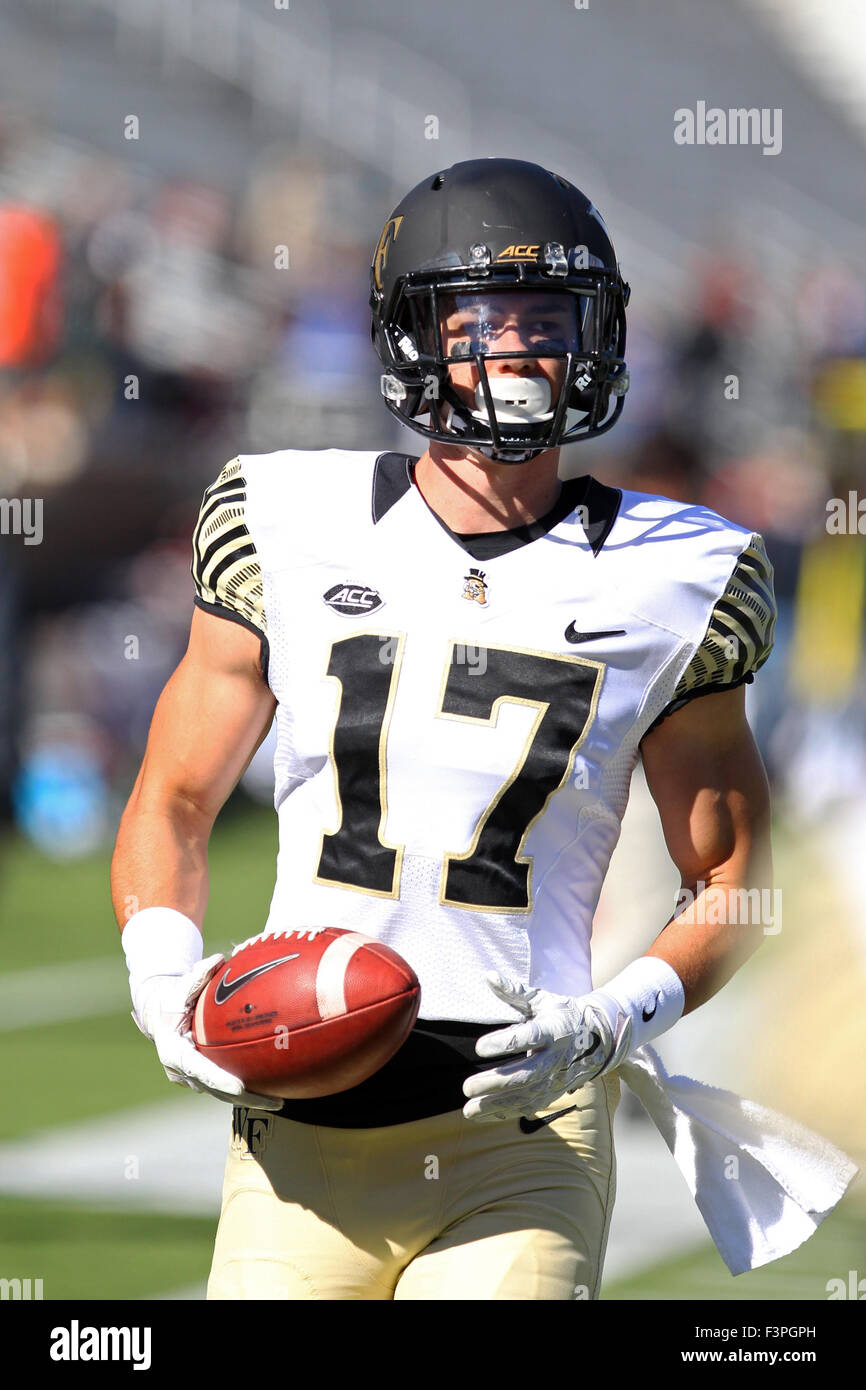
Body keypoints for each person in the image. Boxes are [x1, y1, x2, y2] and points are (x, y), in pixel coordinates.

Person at [111, 158, 781, 1300]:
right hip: (297, 1128)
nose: (522, 349)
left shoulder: (682, 575)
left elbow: (733, 875)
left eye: (550, 319)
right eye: (484, 319)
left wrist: (613, 1019)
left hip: (519, 1129)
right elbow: (176, 796)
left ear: (599, 335)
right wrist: (162, 972)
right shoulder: (283, 519)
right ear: (414, 338)